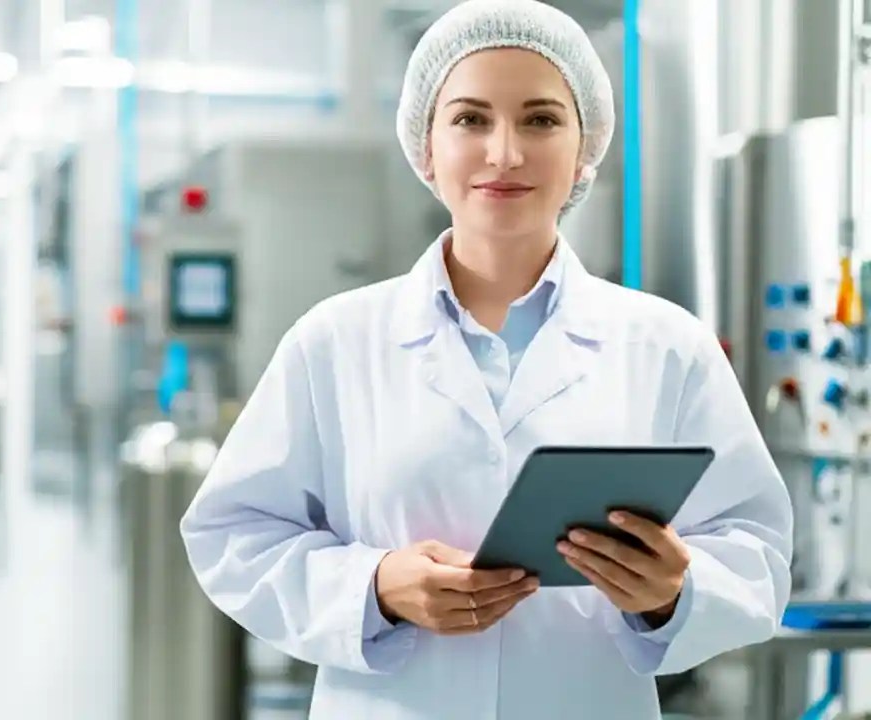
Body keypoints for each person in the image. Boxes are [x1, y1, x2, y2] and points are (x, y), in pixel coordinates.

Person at [179, 0, 794, 718]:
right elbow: (234, 535)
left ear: (585, 145)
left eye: (540, 119)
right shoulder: (336, 341)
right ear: (427, 146)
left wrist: (676, 592)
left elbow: (755, 551)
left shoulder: (667, 348)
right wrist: (375, 587)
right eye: (471, 119)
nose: (504, 153)